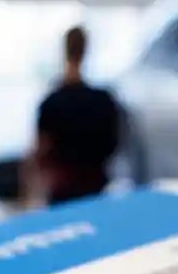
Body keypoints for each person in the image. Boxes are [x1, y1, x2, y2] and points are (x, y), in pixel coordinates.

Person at [24, 26, 122, 207]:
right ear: (86, 50)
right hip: (96, 187)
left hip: (62, 190)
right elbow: (114, 144)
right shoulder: (103, 101)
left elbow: (40, 151)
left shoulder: (52, 102)